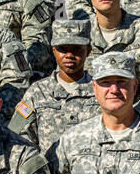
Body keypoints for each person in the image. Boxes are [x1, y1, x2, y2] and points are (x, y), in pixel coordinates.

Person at [8, 19, 101, 155]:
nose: (69, 55)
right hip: (49, 173)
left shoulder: (101, 90)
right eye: (63, 49)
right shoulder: (37, 92)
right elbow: (17, 132)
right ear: (53, 50)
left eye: (76, 49)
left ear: (88, 51)